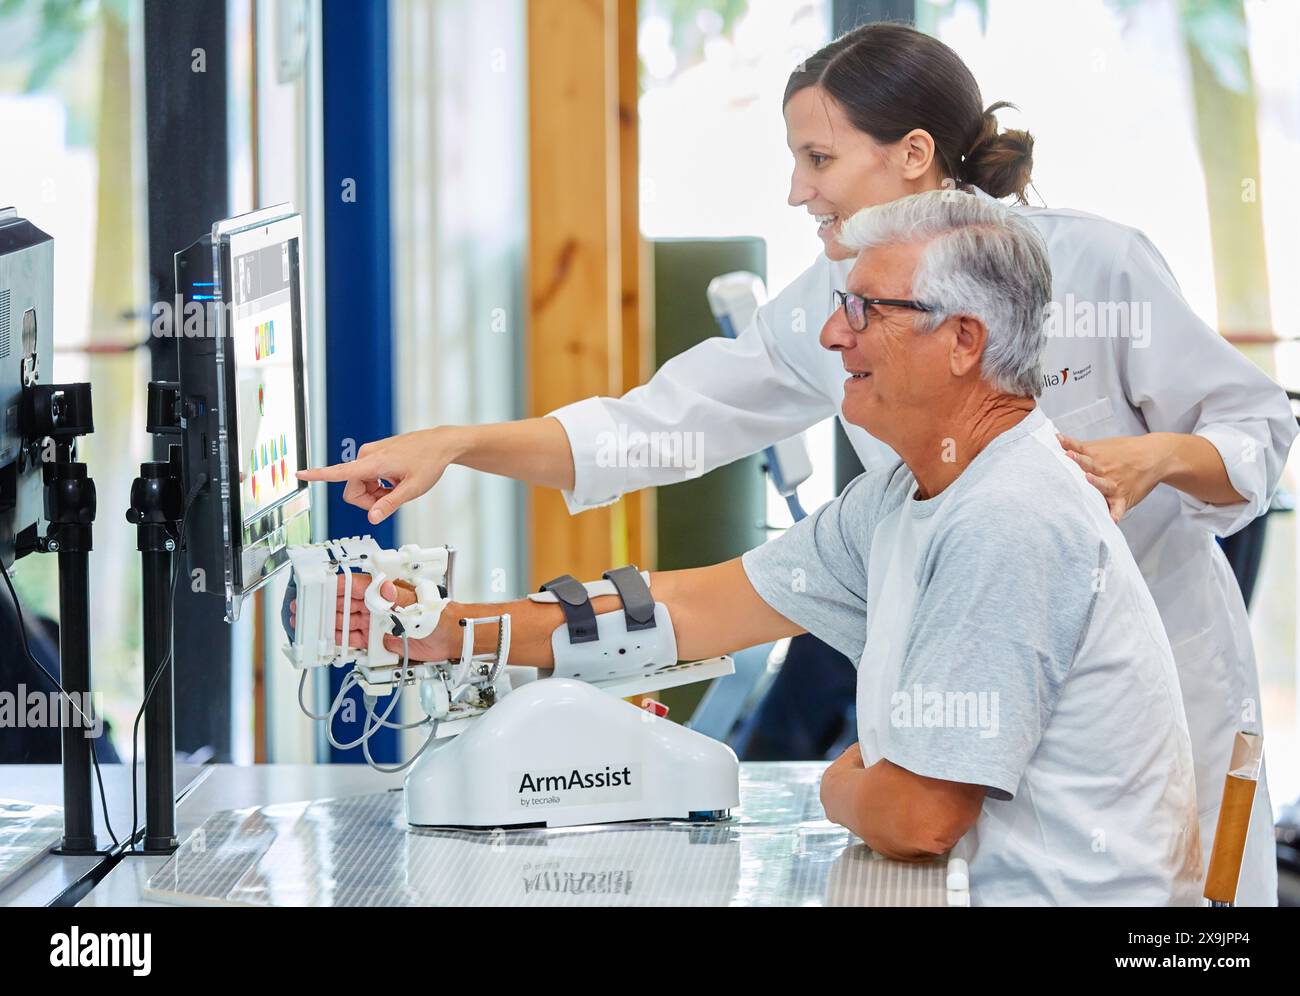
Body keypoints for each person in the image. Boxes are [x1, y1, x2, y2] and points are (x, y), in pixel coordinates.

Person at [299, 23, 1295, 904]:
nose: (831, 334)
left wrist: (1159, 458)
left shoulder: (1075, 324)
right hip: (995, 787)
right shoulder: (899, 483)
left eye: (818, 156)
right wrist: (451, 616)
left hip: (1139, 714)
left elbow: (1257, 429)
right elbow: (673, 502)